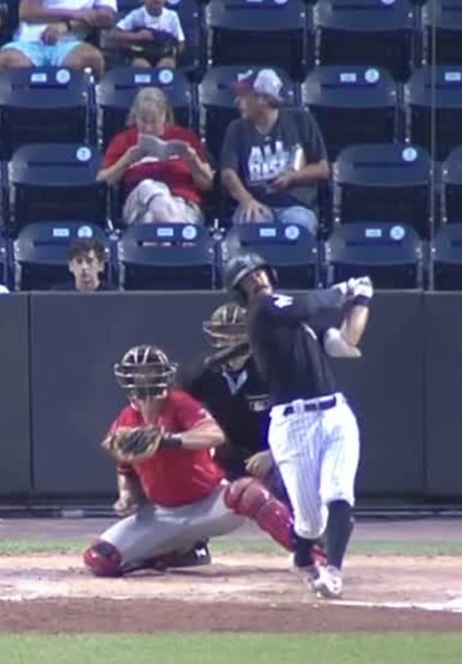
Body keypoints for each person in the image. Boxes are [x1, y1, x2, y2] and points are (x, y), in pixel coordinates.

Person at [222, 252, 373, 600]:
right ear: (240, 291)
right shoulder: (262, 310)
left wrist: (362, 299)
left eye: (258, 273)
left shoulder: (296, 317)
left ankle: (333, 570)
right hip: (293, 423)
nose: (256, 280)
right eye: (247, 279)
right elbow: (311, 302)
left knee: (338, 492)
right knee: (309, 521)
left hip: (335, 414)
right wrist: (346, 289)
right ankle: (303, 555)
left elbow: (346, 344)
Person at [176, 301, 338, 565]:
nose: (229, 341)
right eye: (224, 334)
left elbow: (300, 419)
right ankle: (188, 545)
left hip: (274, 449)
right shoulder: (203, 372)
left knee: (295, 478)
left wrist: (274, 453)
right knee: (190, 478)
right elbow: (177, 408)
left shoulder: (271, 370)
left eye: (236, 333)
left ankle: (310, 545)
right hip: (224, 453)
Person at [82, 344, 247, 577]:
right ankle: (174, 552)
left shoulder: (179, 402)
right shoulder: (126, 419)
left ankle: (305, 552)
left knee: (250, 495)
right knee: (100, 558)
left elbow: (214, 435)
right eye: (139, 373)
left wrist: (169, 441)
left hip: (208, 502)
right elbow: (125, 467)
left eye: (150, 371)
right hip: (163, 513)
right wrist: (126, 495)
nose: (145, 378)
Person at [218, 68, 331, 235]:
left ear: (263, 98)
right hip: (256, 204)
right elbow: (227, 173)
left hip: (296, 206)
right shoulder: (236, 129)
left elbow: (323, 169)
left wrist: (292, 176)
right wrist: (246, 200)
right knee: (248, 225)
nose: (237, 102)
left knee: (297, 225)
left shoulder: (300, 120)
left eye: (243, 96)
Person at [98, 86, 213, 225]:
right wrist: (126, 160)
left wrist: (193, 161)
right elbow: (102, 181)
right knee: (148, 186)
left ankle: (167, 233)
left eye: (153, 122)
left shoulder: (185, 137)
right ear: (135, 117)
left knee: (152, 222)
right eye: (143, 121)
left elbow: (207, 184)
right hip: (139, 205)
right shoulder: (123, 140)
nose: (148, 128)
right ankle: (177, 234)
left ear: (165, 116)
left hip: (183, 204)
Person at [0, 0, 118, 76]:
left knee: (88, 58)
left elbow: (106, 18)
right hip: (28, 42)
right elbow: (27, 12)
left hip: (70, 43)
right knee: (10, 60)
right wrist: (76, 14)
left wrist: (67, 25)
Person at [104, 0, 185, 69]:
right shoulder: (136, 15)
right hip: (141, 54)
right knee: (141, 65)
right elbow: (113, 34)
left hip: (164, 54)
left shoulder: (172, 16)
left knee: (167, 64)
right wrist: (137, 36)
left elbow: (180, 42)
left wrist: (173, 54)